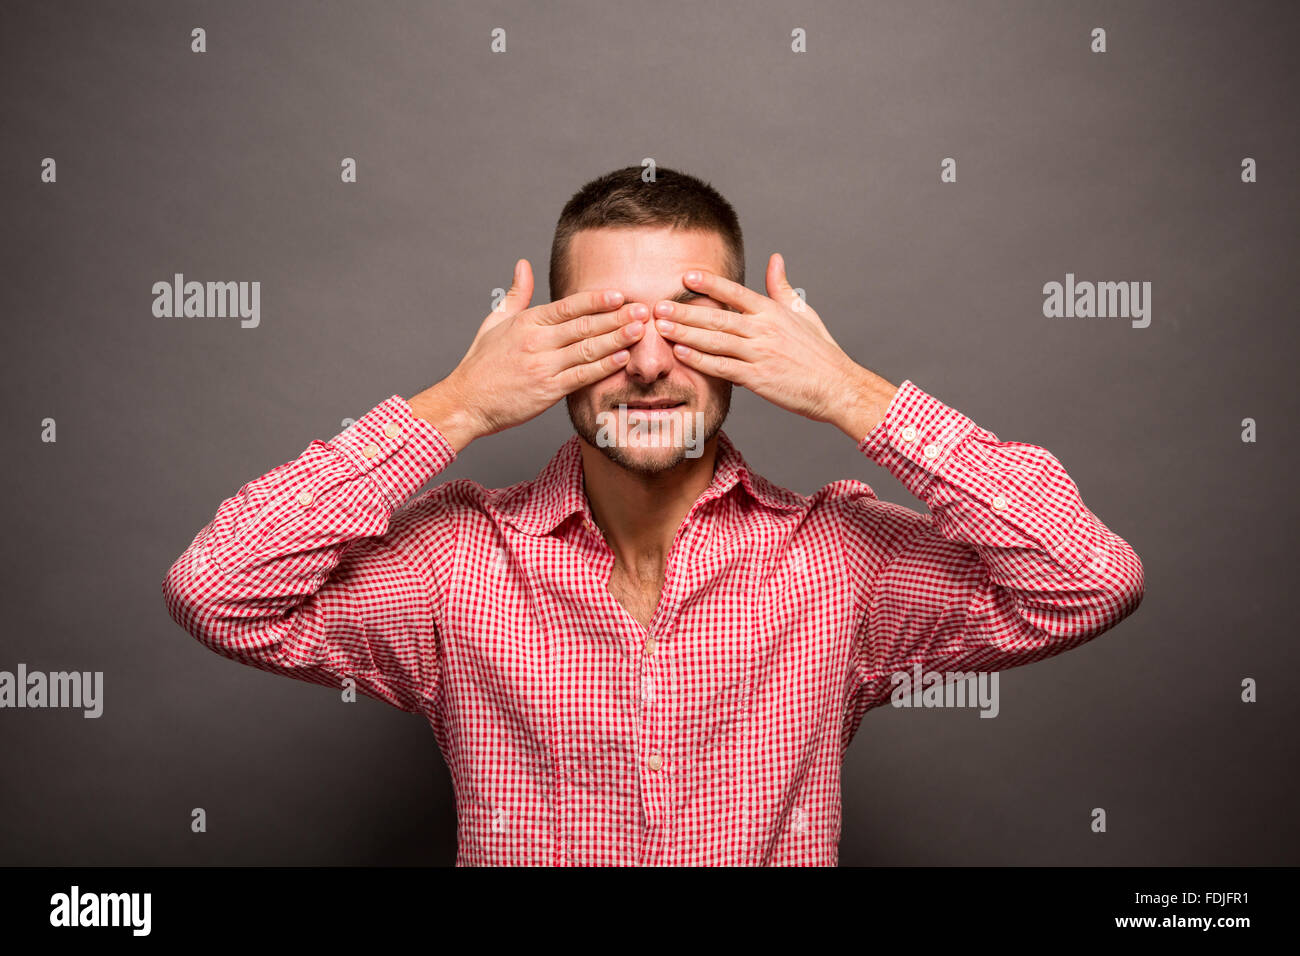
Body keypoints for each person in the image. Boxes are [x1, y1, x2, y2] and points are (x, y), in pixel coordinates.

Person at [163, 166, 1144, 866]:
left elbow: (1088, 578)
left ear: (749, 344)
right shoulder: (457, 561)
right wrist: (455, 406)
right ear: (543, 344)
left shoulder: (840, 560)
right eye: (602, 325)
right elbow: (220, 591)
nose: (644, 364)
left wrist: (852, 394)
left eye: (688, 324)